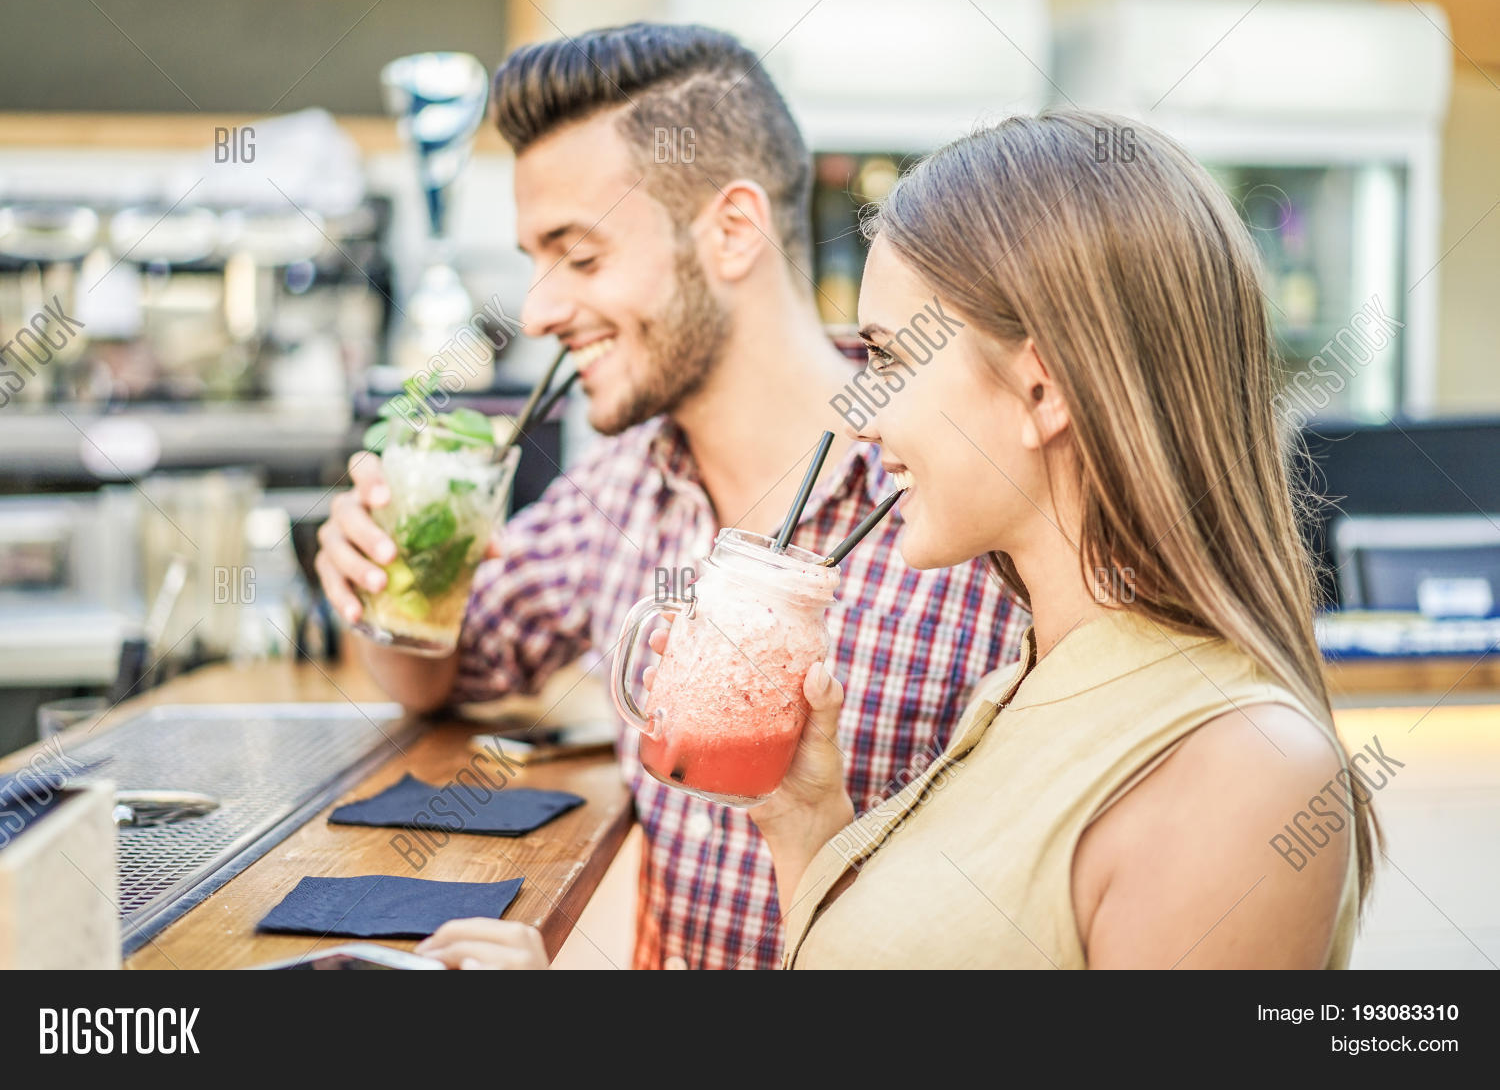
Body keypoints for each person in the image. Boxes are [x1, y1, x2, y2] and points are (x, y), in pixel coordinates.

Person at [415, 110, 1379, 971]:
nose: (863, 416)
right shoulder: (1035, 678)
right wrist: (806, 824)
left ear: (1043, 389)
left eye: (885, 356)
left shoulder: (1243, 775)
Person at [315, 23, 1027, 970]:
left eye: (580, 255)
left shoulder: (955, 480)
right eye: (535, 260)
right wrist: (386, 582)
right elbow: (453, 665)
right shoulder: (625, 482)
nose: (536, 311)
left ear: (730, 230)